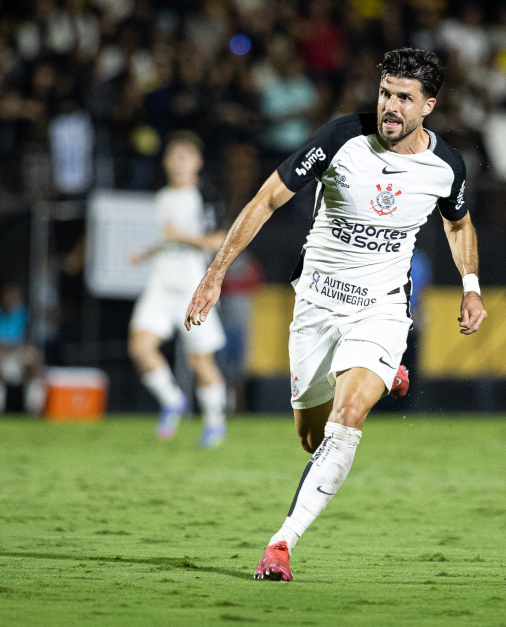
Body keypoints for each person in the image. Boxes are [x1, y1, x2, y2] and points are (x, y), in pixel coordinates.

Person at [184, 48, 488, 581]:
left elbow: (458, 224)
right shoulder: (342, 137)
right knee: (310, 437)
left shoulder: (446, 167)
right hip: (318, 305)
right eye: (385, 93)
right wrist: (215, 273)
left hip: (382, 309)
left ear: (430, 105)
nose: (390, 107)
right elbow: (265, 199)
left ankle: (282, 543)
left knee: (348, 421)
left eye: (404, 98)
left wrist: (471, 287)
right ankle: (378, 371)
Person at [128, 130, 229, 446]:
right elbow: (168, 237)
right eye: (174, 154)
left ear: (197, 162)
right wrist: (147, 252)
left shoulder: (205, 196)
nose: (179, 161)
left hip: (191, 286)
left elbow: (220, 240)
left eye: (186, 155)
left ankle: (215, 422)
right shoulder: (162, 198)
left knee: (200, 362)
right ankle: (173, 400)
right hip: (160, 283)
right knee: (140, 348)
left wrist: (182, 236)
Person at [0, 283, 46, 415]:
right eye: (6, 296)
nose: (9, 299)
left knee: (35, 360)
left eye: (12, 296)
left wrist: (13, 346)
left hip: (17, 352)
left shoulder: (23, 313)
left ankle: (34, 409)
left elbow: (27, 339)